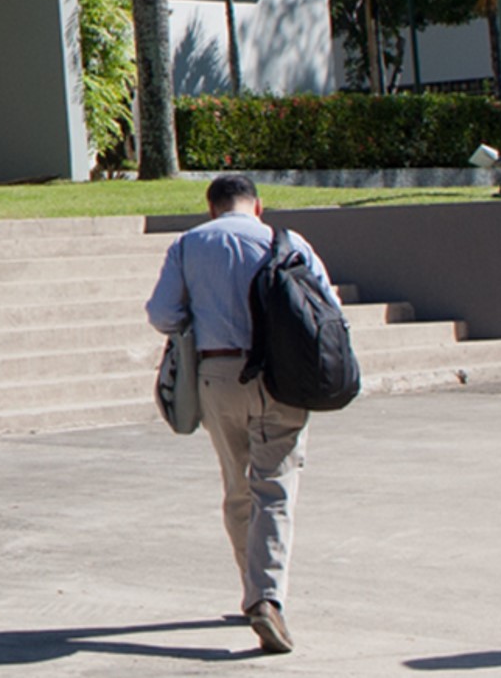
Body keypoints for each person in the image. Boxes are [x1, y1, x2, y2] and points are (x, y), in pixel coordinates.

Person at [144, 173, 339, 655]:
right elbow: (329, 307)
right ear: (258, 206)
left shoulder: (189, 245)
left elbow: (162, 314)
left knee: (236, 487)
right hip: (284, 377)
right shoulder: (288, 242)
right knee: (274, 488)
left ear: (211, 208)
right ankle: (265, 596)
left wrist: (201, 318)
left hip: (218, 374)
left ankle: (251, 588)